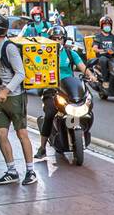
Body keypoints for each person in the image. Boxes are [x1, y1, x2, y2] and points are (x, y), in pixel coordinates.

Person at [0, 11, 37, 186]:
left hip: (14, 97)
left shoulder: (9, 48)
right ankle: (11, 170)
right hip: (1, 98)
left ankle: (31, 171)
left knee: (22, 133)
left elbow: (20, 73)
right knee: (1, 133)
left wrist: (6, 91)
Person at [34, 26, 87, 160]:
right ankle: (42, 147)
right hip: (51, 90)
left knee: (85, 106)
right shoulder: (44, 53)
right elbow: (35, 68)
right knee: (50, 113)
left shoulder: (70, 53)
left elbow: (82, 67)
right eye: (54, 39)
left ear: (64, 40)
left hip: (69, 89)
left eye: (60, 38)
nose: (58, 41)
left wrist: (92, 76)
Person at [87, 16, 114, 88]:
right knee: (103, 60)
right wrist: (103, 50)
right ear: (102, 26)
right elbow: (94, 48)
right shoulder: (98, 37)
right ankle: (105, 80)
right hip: (103, 57)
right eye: (105, 25)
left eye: (108, 25)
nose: (107, 26)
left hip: (113, 57)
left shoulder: (113, 37)